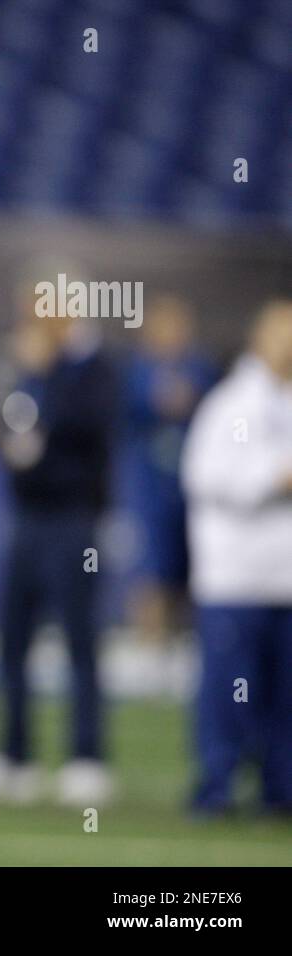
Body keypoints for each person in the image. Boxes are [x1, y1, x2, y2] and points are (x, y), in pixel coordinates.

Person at [0, 278, 118, 806]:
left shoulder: (95, 367)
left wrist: (45, 374)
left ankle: (87, 758)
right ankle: (15, 755)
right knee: (12, 637)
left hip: (74, 521)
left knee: (79, 642)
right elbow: (12, 427)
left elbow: (83, 432)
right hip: (27, 518)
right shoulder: (30, 366)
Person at [180, 298, 292, 816]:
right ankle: (217, 785)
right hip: (236, 575)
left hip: (285, 578)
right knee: (229, 691)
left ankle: (281, 788)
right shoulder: (229, 404)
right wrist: (271, 480)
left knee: (283, 696)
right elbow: (203, 477)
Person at [122, 295, 218, 645]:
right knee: (150, 569)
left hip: (192, 487)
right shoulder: (135, 370)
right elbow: (126, 416)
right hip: (149, 488)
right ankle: (150, 644)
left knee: (191, 565)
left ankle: (185, 643)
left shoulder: (201, 369)